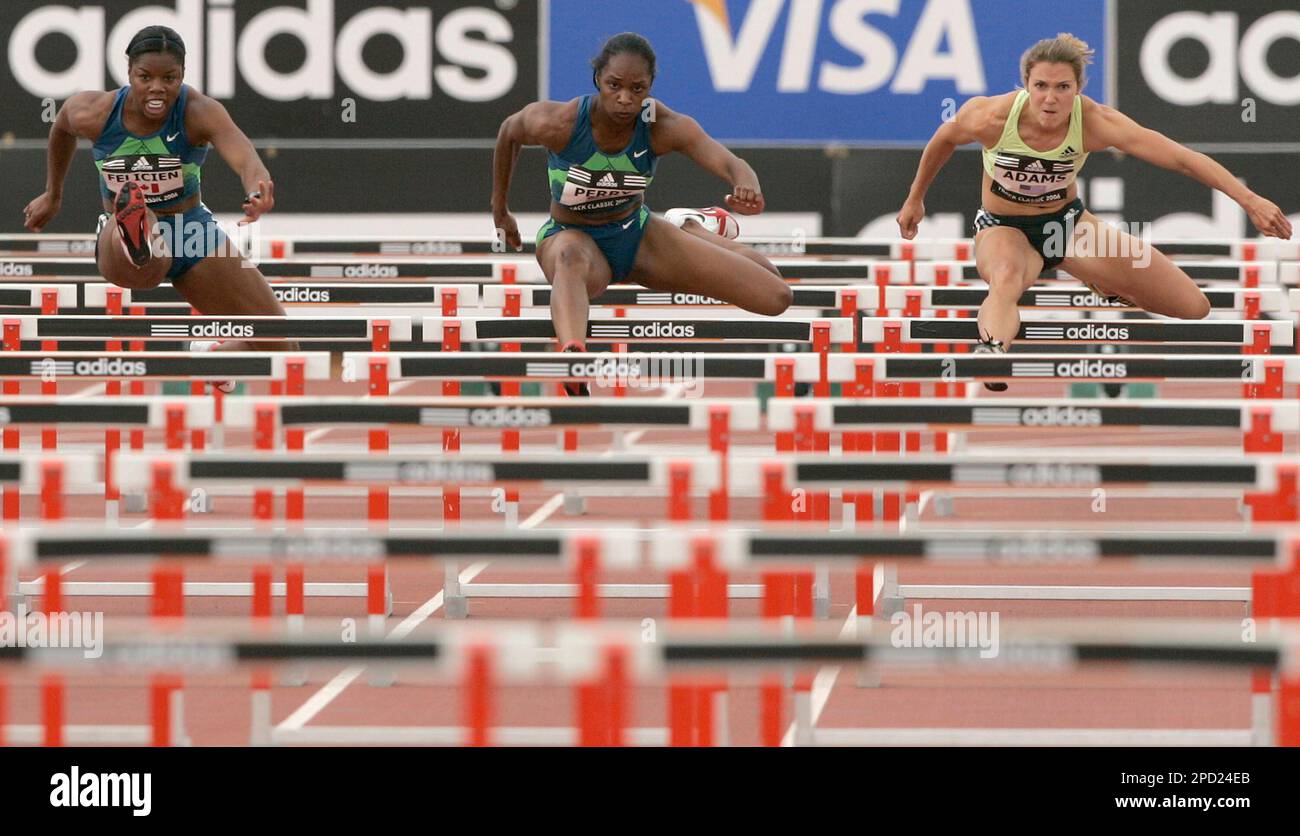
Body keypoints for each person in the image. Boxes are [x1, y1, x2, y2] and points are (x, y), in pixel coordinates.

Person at [896, 33, 1292, 391]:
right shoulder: (991, 117)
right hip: (1004, 227)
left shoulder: (1095, 122)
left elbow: (1182, 159)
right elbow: (942, 140)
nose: (1050, 99)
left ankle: (1102, 282)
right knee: (1006, 278)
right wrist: (915, 199)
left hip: (1068, 225)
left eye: (1063, 88)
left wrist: (1250, 200)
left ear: (1079, 88)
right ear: (1026, 85)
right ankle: (993, 352)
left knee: (1193, 307)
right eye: (1041, 86)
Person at [491, 32, 792, 394]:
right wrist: (500, 209)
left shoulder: (659, 126)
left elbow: (731, 162)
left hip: (639, 236)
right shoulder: (559, 122)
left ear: (650, 87)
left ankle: (692, 228)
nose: (624, 99)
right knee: (570, 256)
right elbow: (509, 131)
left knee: (776, 296)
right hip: (573, 239)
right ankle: (574, 357)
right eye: (614, 85)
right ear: (597, 81)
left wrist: (747, 182)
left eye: (637, 89)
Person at [22, 24, 296, 381]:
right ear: (129, 73)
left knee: (284, 347)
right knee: (146, 244)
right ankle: (138, 232)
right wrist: (53, 194)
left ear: (183, 75)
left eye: (170, 78)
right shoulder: (94, 111)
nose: (157, 88)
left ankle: (214, 355)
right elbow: (61, 128)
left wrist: (257, 190)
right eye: (145, 77)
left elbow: (245, 157)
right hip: (118, 239)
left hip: (191, 231)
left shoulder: (198, 111)